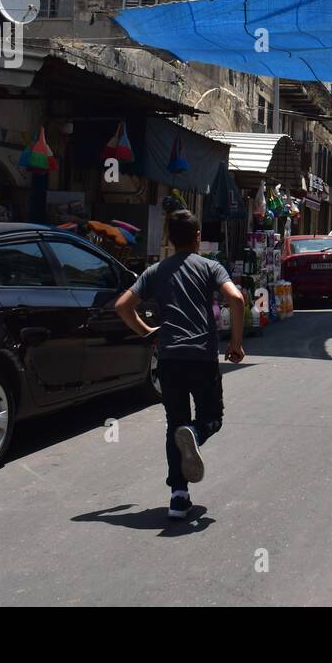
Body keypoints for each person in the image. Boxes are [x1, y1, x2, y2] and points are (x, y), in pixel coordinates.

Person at [114, 210, 246, 520]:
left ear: (169, 239)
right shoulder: (211, 267)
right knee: (211, 417)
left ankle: (178, 496)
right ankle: (195, 435)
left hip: (169, 358)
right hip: (201, 356)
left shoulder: (155, 271)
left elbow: (122, 306)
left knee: (175, 425)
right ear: (198, 237)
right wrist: (236, 344)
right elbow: (236, 300)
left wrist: (146, 332)